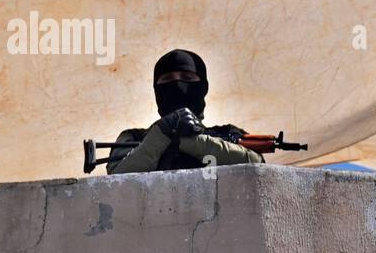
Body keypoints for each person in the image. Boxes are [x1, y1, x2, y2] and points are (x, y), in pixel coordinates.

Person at [106, 49, 264, 174]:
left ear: (203, 87)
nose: (177, 84)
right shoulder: (133, 137)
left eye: (187, 78)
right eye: (167, 79)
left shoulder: (228, 133)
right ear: (156, 90)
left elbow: (257, 166)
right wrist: (162, 133)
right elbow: (118, 175)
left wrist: (190, 141)